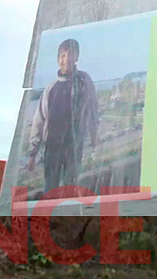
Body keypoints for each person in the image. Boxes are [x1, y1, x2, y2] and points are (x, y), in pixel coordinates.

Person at [27, 38, 99, 196]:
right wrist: (32, 153)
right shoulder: (51, 88)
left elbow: (93, 109)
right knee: (50, 189)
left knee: (69, 189)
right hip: (52, 149)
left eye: (69, 55)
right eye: (61, 55)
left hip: (73, 147)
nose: (65, 59)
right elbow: (39, 121)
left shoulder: (84, 80)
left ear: (77, 58)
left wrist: (94, 136)